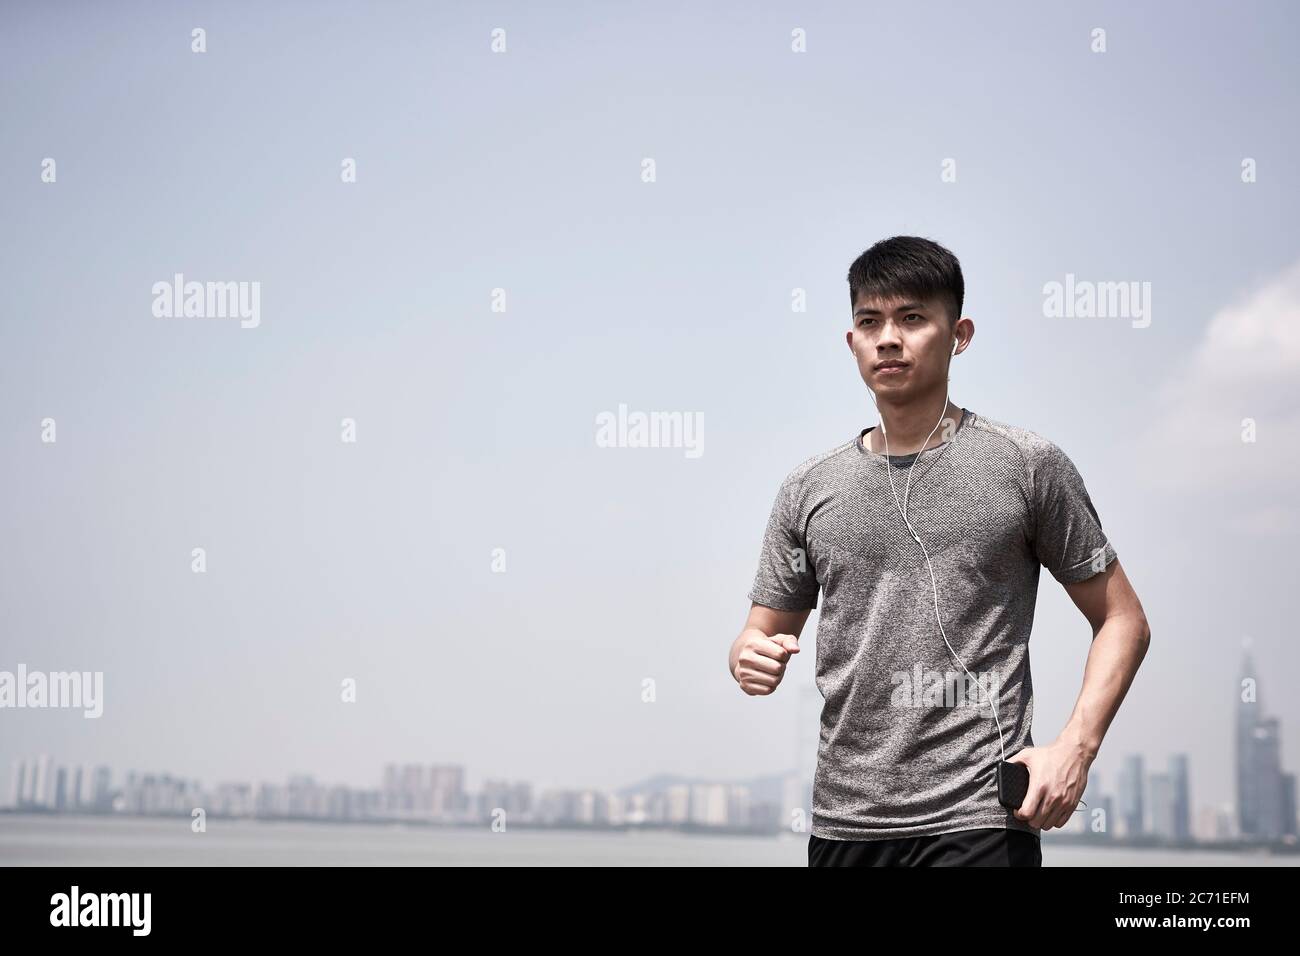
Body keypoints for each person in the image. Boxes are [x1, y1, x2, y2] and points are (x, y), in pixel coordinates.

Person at [727, 236, 1151, 867]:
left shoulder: (1026, 466)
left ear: (960, 334)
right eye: (869, 322)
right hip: (844, 827)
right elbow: (759, 635)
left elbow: (1123, 620)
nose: (888, 338)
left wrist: (1074, 749)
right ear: (852, 343)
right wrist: (747, 658)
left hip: (978, 823)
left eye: (913, 318)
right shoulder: (807, 488)